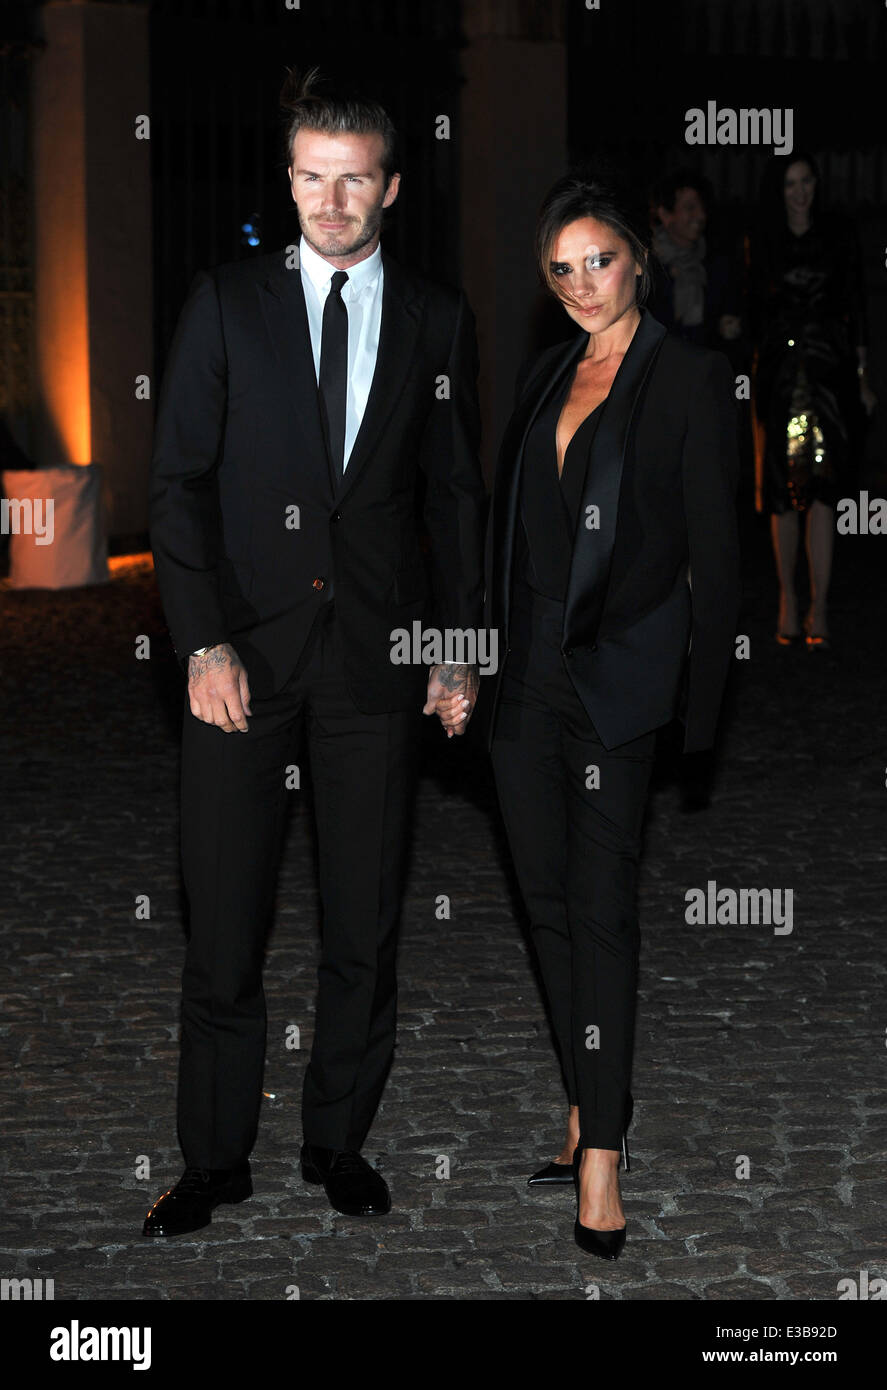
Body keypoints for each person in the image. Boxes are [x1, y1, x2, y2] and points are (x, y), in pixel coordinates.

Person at [144, 69, 485, 1236]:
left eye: (353, 180)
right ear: (287, 180)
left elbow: (454, 497)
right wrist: (200, 645)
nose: (331, 200)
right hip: (239, 665)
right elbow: (177, 488)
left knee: (363, 923)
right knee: (225, 921)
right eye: (310, 177)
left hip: (377, 670)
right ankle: (212, 1158)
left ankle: (338, 1138)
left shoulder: (438, 317)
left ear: (388, 185)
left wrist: (455, 646)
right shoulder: (227, 302)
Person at [481, 169, 740, 1260]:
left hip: (619, 684)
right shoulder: (544, 375)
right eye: (562, 267)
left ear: (636, 258)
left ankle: (602, 1156)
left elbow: (720, 559)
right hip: (524, 680)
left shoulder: (684, 379)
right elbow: (504, 541)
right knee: (541, 903)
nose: (583, 282)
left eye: (599, 259)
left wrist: (702, 713)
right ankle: (584, 1100)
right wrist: (468, 664)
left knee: (601, 911)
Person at [749, 152, 875, 648]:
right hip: (780, 376)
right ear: (778, 191)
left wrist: (863, 376)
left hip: (829, 374)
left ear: (816, 185)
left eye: (806, 181)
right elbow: (753, 308)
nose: (800, 191)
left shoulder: (839, 234)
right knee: (783, 490)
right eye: (790, 183)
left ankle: (819, 605)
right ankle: (789, 599)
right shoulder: (763, 239)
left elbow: (857, 306)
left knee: (823, 489)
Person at [648, 167, 744, 358]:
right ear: (666, 215)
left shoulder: (717, 263)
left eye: (702, 208)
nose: (700, 216)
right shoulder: (645, 268)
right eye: (690, 208)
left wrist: (728, 328)